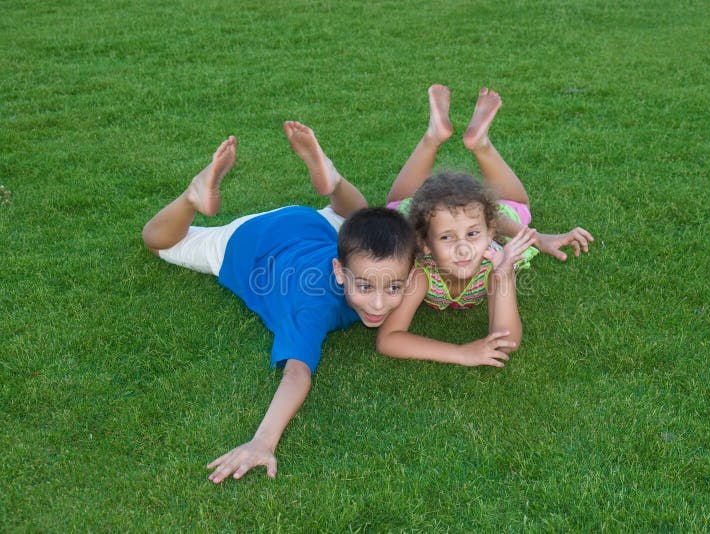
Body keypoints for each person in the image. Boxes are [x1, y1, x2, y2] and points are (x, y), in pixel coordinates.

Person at [141, 122, 416, 483]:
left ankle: (333, 183)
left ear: (410, 279)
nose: (379, 304)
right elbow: (296, 373)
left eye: (394, 288)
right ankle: (192, 196)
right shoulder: (313, 306)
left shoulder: (370, 267)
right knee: (158, 240)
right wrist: (262, 441)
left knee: (362, 222)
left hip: (309, 223)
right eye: (365, 287)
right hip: (246, 243)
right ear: (338, 272)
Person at [376, 85, 594, 366]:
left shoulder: (496, 264)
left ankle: (480, 144)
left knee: (516, 208)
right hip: (441, 224)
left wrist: (505, 275)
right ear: (426, 245)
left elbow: (508, 341)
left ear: (491, 233)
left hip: (487, 230)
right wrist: (460, 353)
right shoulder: (421, 273)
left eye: (472, 235)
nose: (463, 247)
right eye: (446, 238)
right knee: (399, 206)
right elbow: (388, 339)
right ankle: (435, 137)